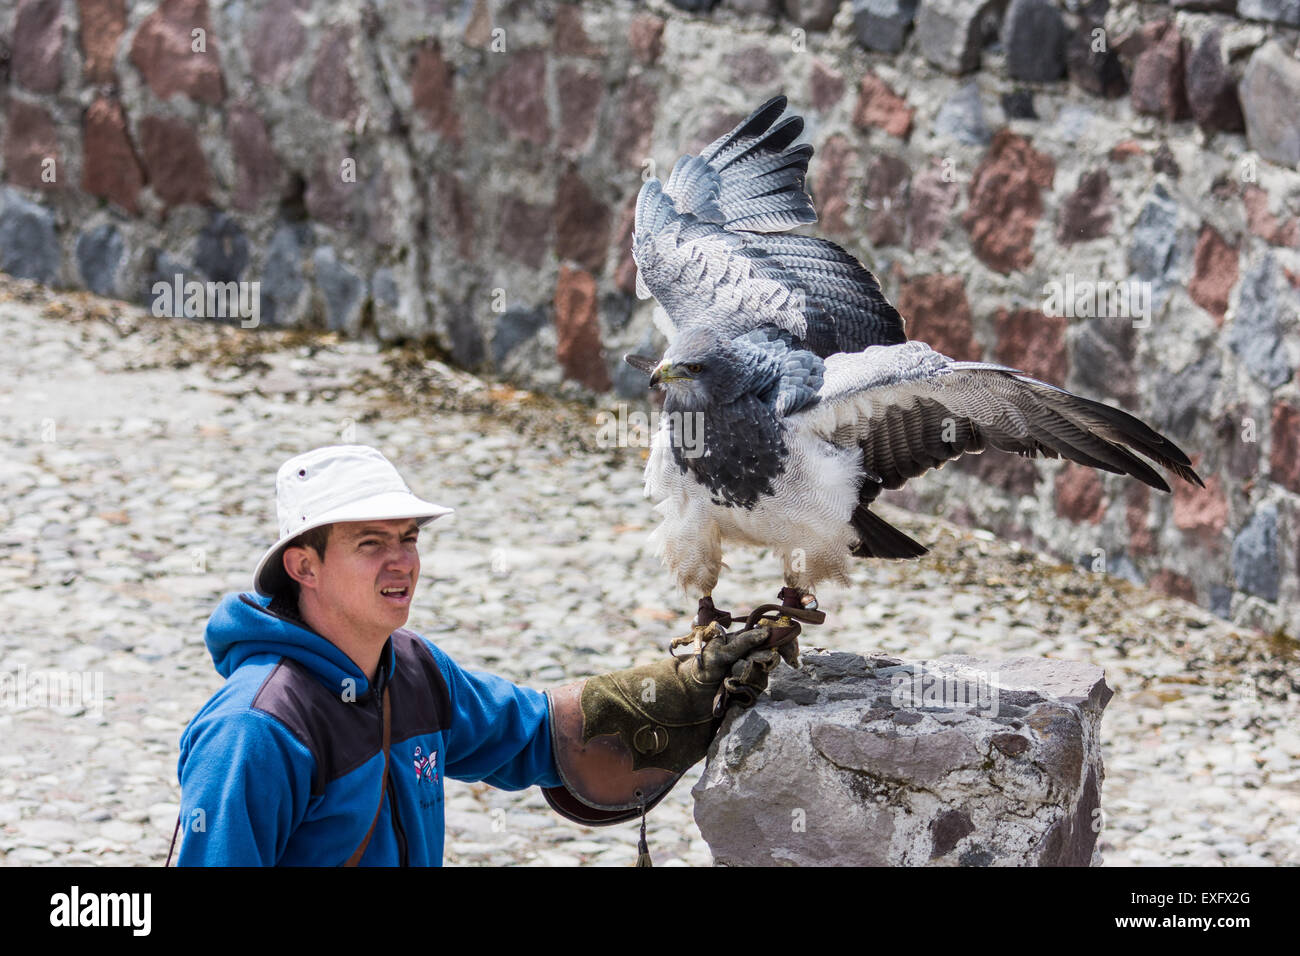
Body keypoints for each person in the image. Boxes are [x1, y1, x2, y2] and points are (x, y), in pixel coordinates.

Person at [171, 445, 789, 866]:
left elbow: (532, 733)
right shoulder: (256, 729)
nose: (401, 562)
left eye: (407, 540)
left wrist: (681, 693)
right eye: (369, 543)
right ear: (304, 565)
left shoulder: (412, 670)